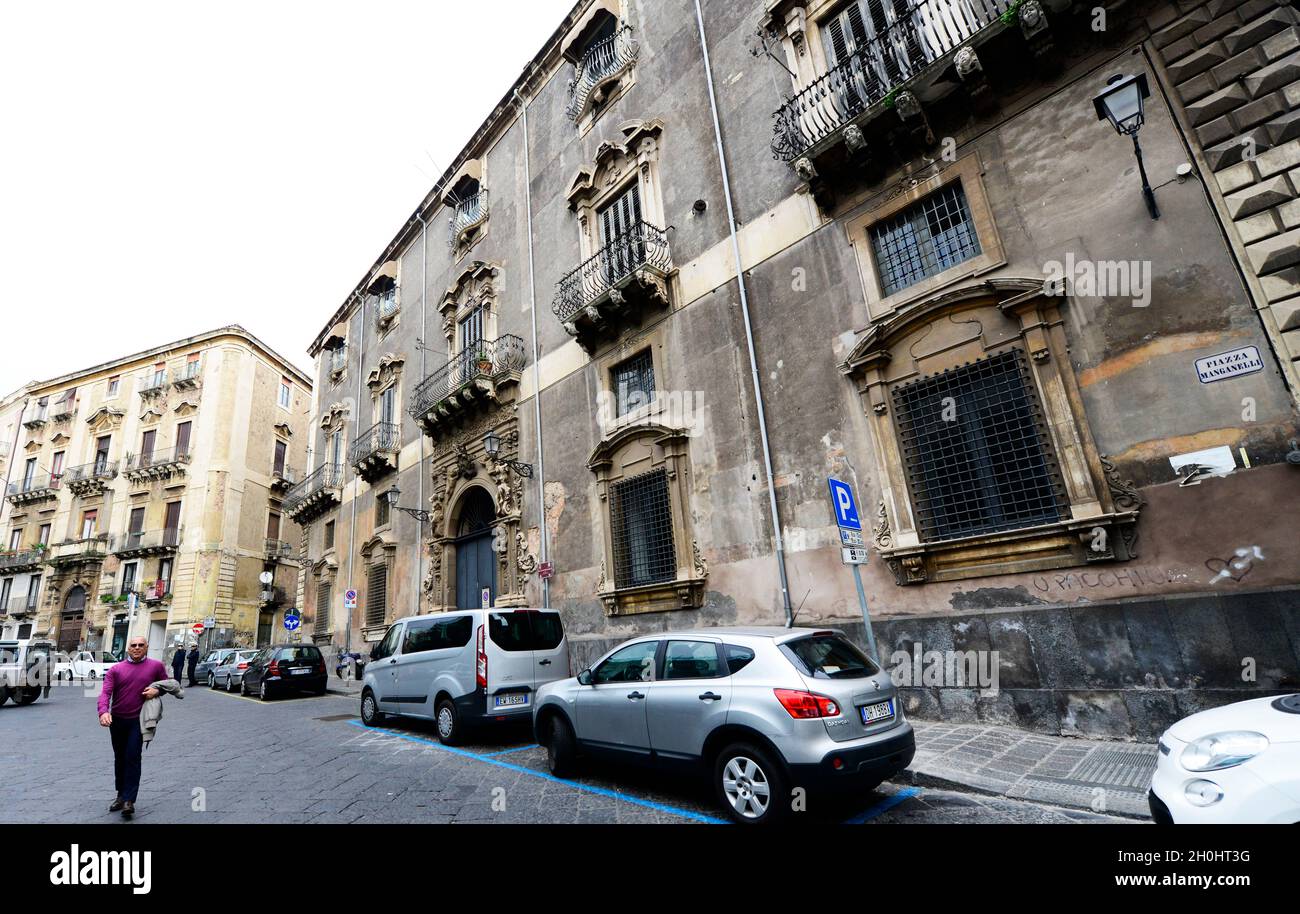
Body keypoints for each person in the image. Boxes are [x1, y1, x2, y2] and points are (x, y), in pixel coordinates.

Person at [98, 636, 169, 819]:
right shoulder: (116, 669)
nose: (137, 648)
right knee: (120, 758)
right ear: (128, 648)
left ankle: (130, 800)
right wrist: (103, 711)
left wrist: (157, 691)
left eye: (140, 645)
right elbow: (105, 692)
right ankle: (120, 795)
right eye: (133, 645)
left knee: (132, 756)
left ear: (146, 647)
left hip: (139, 721)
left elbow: (167, 684)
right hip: (118, 721)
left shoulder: (156, 666)